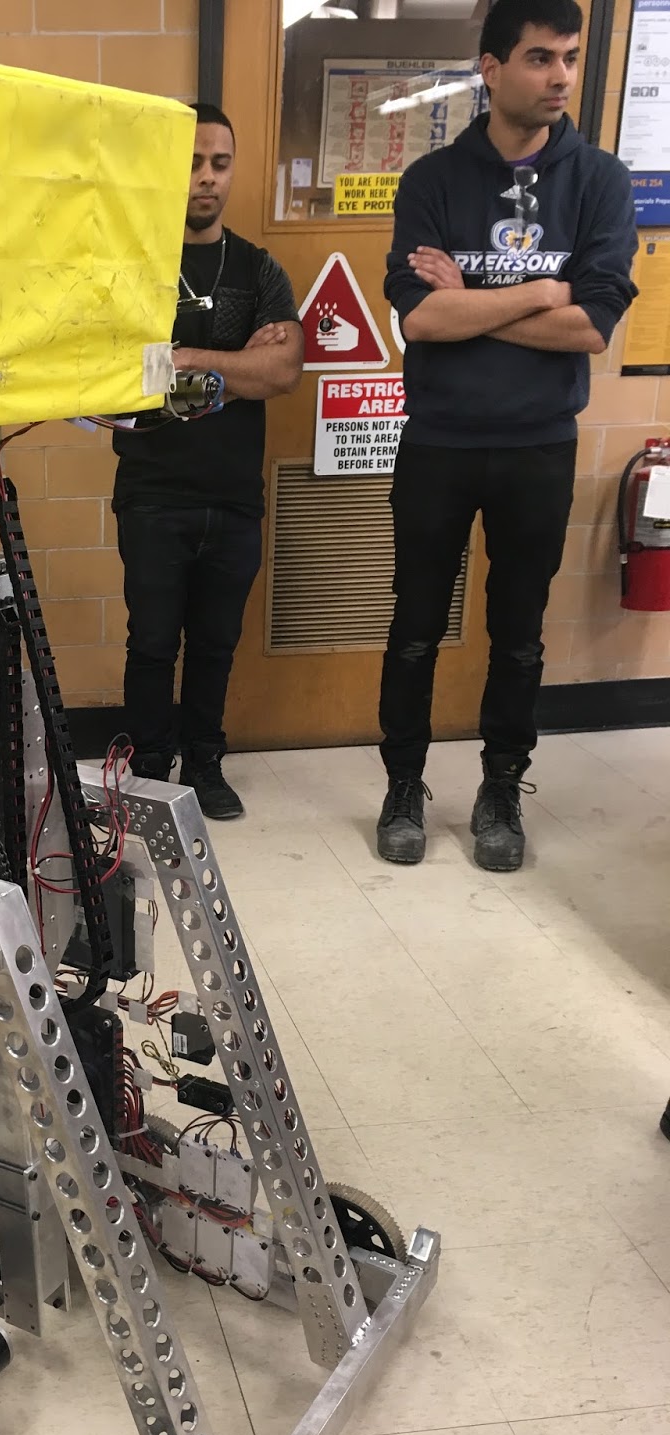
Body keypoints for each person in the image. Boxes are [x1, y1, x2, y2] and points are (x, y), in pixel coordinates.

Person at [377, 0, 637, 871]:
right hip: (440, 441)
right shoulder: (433, 182)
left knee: (519, 632)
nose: (560, 75)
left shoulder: (597, 180)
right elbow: (421, 320)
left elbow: (592, 329)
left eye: (569, 57)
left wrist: (475, 307)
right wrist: (542, 291)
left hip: (538, 444)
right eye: (539, 58)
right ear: (490, 68)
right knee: (414, 624)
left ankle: (500, 786)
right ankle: (403, 784)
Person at [112, 104, 303, 820]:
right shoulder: (136, 270)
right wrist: (236, 362)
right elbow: (117, 371)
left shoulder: (257, 270)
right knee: (153, 643)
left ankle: (207, 764)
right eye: (192, 163)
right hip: (152, 490)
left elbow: (283, 369)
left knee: (217, 643)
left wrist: (188, 358)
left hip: (232, 495)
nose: (206, 178)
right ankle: (148, 772)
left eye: (219, 163)